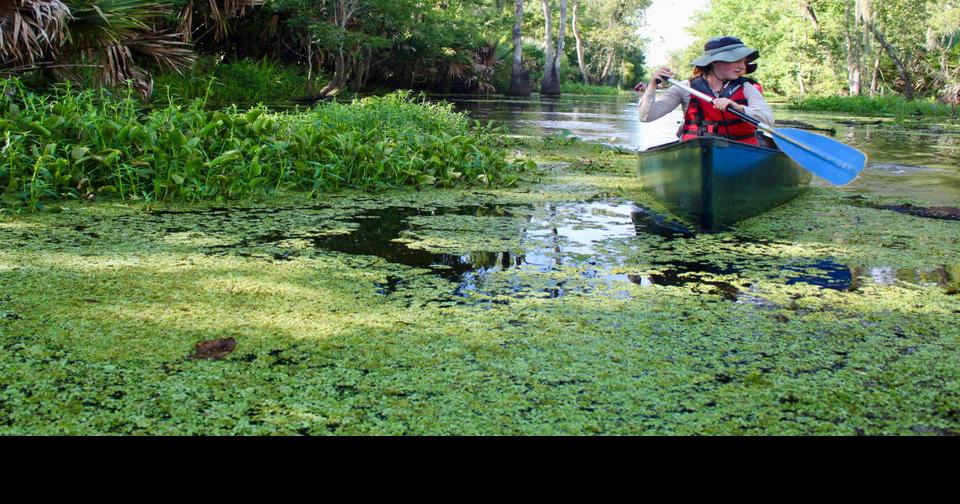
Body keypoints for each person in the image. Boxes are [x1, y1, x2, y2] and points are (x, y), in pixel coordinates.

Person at [638, 36, 774, 146]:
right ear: (715, 62)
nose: (742, 67)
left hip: (741, 149)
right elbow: (646, 117)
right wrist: (652, 86)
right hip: (696, 151)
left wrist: (738, 107)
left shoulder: (748, 88)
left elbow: (767, 120)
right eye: (735, 60)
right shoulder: (685, 88)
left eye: (743, 61)